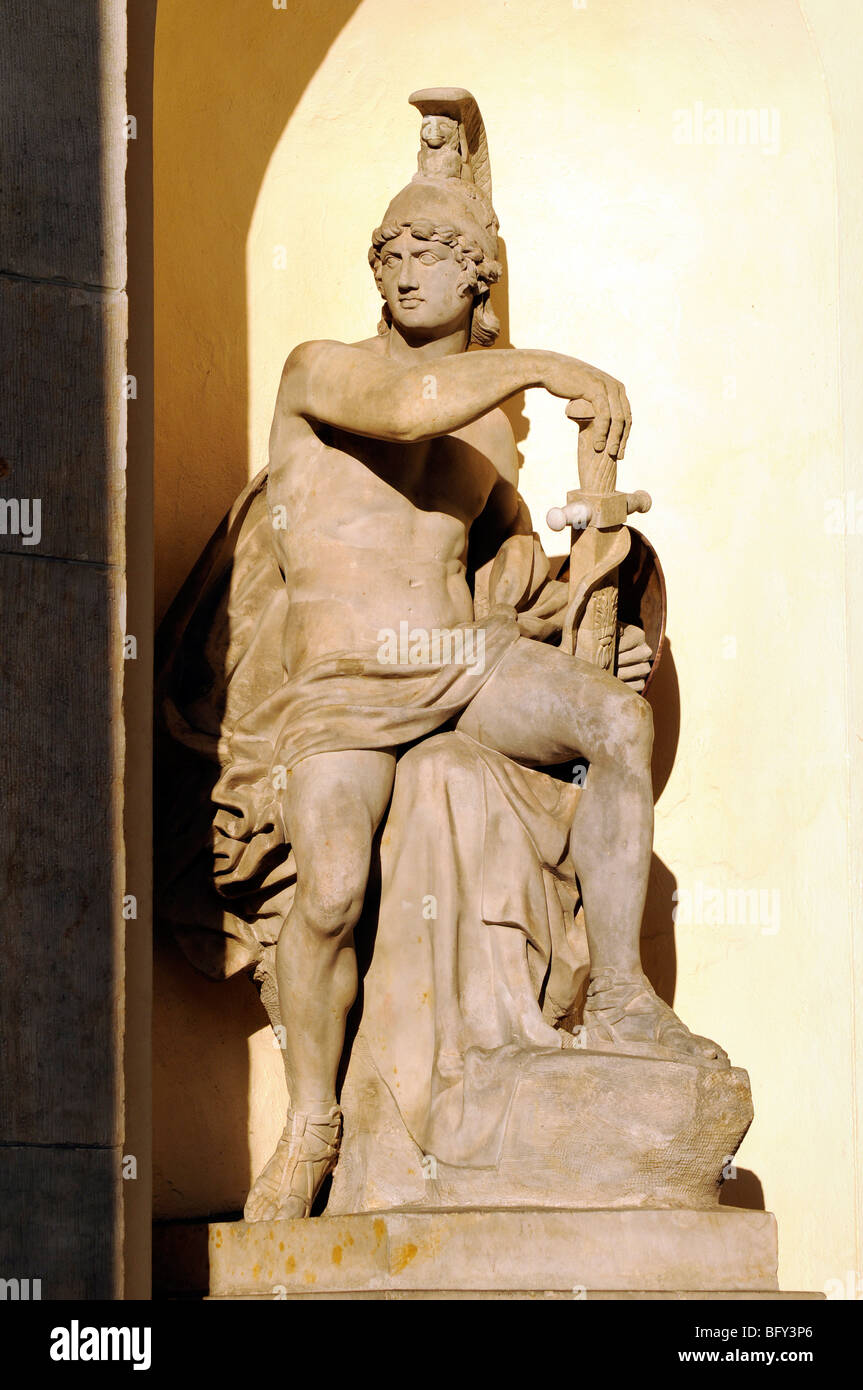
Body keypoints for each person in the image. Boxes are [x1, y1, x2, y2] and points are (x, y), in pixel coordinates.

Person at [233, 90, 726, 1223]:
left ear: (476, 278)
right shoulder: (321, 373)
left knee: (613, 725)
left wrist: (604, 609)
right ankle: (312, 1122)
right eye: (391, 252)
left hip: (456, 658)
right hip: (344, 684)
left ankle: (616, 991)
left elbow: (521, 587)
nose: (406, 272)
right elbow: (404, 405)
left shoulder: (488, 438)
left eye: (436, 253)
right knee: (332, 891)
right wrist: (549, 364)